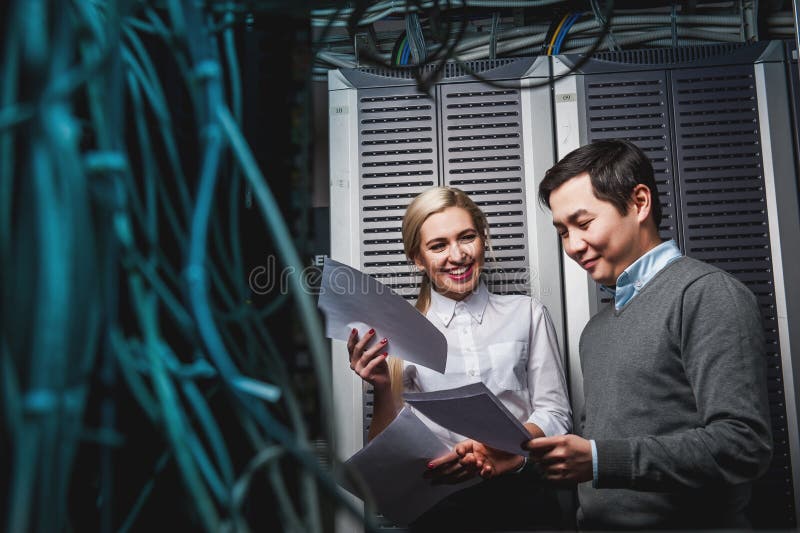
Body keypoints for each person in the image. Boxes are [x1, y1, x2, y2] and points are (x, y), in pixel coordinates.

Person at [527, 139, 773, 529]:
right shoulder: (596, 330)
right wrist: (523, 459)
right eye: (562, 232)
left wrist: (598, 460)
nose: (573, 246)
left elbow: (743, 445)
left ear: (639, 202)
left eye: (584, 223)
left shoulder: (705, 294)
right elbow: (599, 449)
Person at [347, 186, 572, 530]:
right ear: (417, 258)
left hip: (527, 502)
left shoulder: (527, 313)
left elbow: (555, 412)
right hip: (440, 512)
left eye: (466, 237)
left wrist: (500, 449)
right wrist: (380, 386)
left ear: (483, 239)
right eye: (438, 245)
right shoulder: (400, 332)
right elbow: (385, 452)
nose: (457, 255)